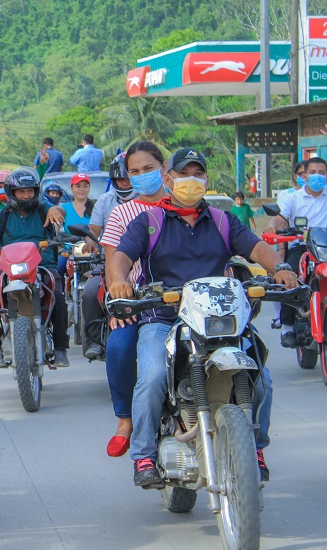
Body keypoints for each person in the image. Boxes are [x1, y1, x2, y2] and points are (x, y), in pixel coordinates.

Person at [107, 147, 295, 488]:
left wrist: (280, 268)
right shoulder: (149, 221)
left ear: (206, 180)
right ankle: (144, 455)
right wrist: (119, 279)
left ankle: (254, 448)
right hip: (164, 319)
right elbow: (120, 255)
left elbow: (255, 248)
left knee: (262, 379)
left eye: (198, 174)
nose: (190, 180)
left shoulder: (223, 220)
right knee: (150, 379)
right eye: (183, 174)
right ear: (168, 179)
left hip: (220, 320)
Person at [98, 142, 168, 456]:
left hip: (189, 300)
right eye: (135, 172)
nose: (142, 176)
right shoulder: (122, 213)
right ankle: (125, 419)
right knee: (120, 345)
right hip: (140, 301)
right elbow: (113, 265)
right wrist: (119, 297)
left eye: (148, 169)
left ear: (164, 169)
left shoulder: (183, 205)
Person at [0, 167, 71, 368]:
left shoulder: (44, 208)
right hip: (11, 267)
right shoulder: (2, 215)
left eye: (30, 191)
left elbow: (59, 211)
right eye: (21, 192)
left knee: (59, 295)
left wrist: (57, 209)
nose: (26, 195)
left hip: (43, 264)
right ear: (12, 193)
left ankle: (61, 348)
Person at [79, 152, 137, 361]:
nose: (123, 183)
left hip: (141, 263)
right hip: (109, 262)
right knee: (89, 292)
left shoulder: (147, 198)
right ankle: (94, 341)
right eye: (119, 179)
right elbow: (94, 230)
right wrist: (90, 243)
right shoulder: (105, 200)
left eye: (127, 178)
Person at [265, 156, 327, 347]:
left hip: (325, 246)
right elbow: (281, 218)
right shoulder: (293, 198)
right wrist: (272, 227)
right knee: (288, 274)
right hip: (302, 246)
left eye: (323, 173)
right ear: (304, 176)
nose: (318, 176)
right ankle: (287, 328)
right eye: (313, 173)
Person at [56, 173, 94, 278]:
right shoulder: (64, 208)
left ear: (89, 188)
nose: (82, 189)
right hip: (70, 249)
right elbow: (56, 224)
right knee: (58, 266)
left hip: (92, 249)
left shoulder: (96, 207)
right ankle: (60, 292)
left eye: (85, 186)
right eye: (78, 186)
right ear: (71, 188)